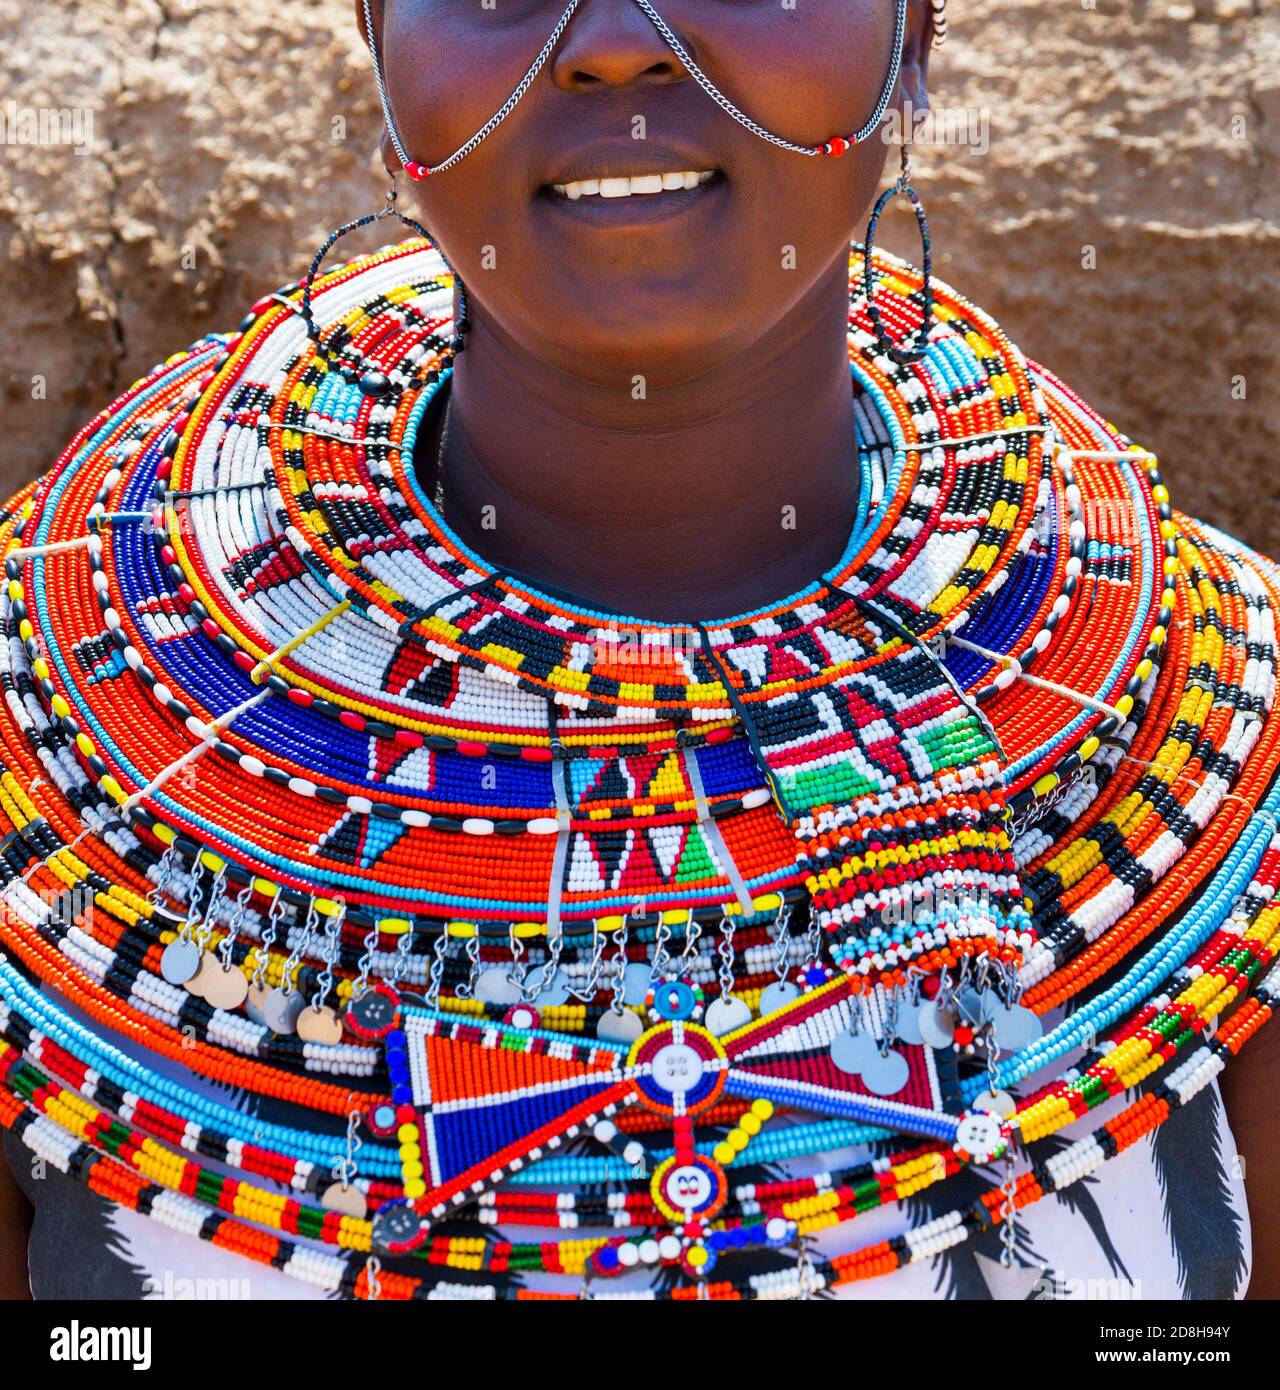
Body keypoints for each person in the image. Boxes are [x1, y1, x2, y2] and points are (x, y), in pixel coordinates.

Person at [0, 0, 1276, 1301]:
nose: (616, 40)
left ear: (916, 43)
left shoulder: (1225, 760)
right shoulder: (46, 766)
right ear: (381, 58)